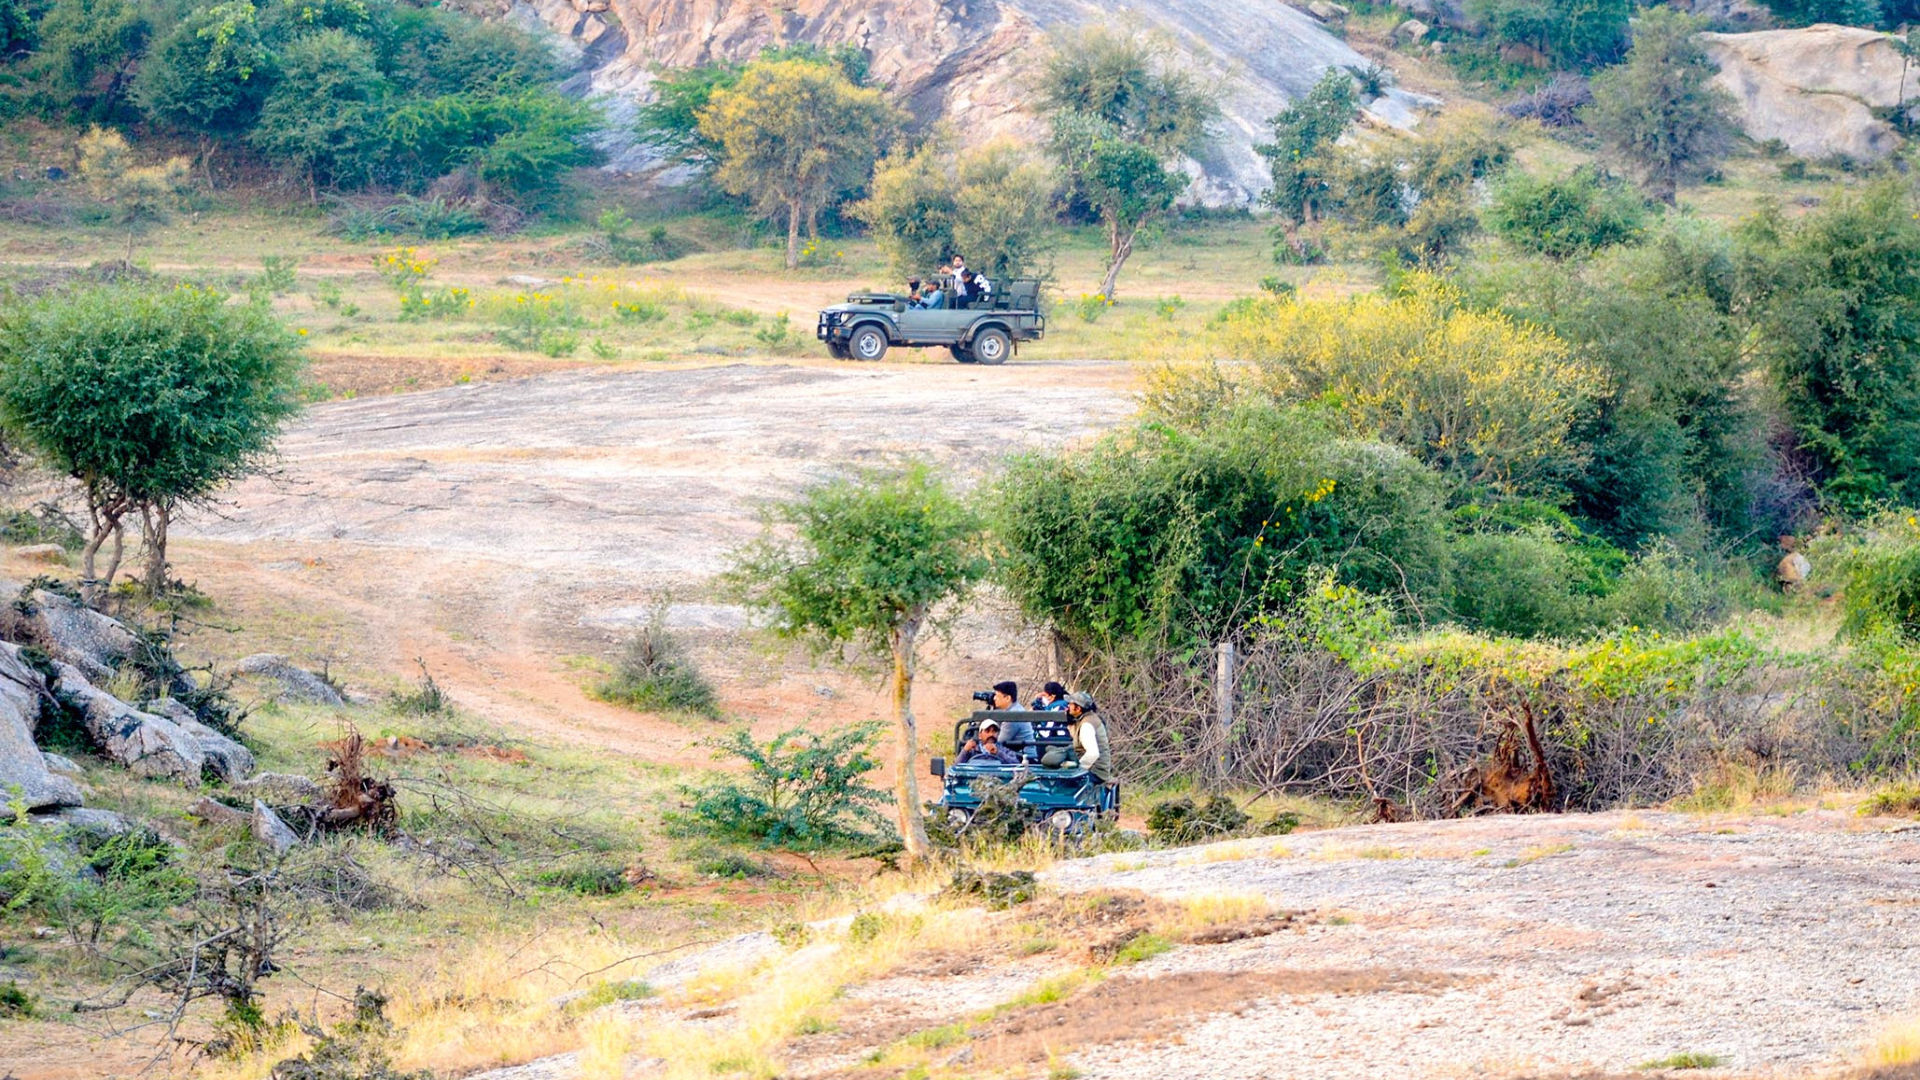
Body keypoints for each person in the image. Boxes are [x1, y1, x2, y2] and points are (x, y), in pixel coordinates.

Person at [1042, 692, 1111, 783]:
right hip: (1095, 769)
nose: (1068, 707)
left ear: (1078, 709)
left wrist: (1078, 770)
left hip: (1095, 773)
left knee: (1060, 783)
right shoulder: (1088, 718)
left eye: (1070, 704)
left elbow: (1093, 753)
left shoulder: (1086, 725)